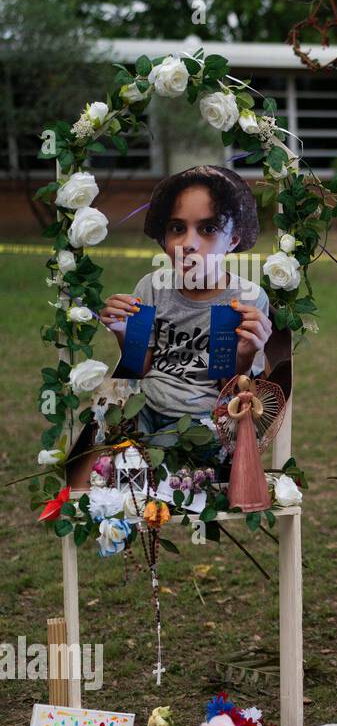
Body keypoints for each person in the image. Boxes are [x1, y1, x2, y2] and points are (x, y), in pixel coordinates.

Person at [71, 165, 272, 486]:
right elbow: (140, 366)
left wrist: (246, 356)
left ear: (233, 239)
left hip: (203, 424)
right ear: (163, 238)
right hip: (145, 410)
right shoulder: (151, 288)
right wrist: (124, 332)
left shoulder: (244, 299)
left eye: (208, 229)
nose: (189, 243)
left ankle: (141, 478)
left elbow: (230, 390)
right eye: (177, 228)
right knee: (87, 457)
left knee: (139, 467)